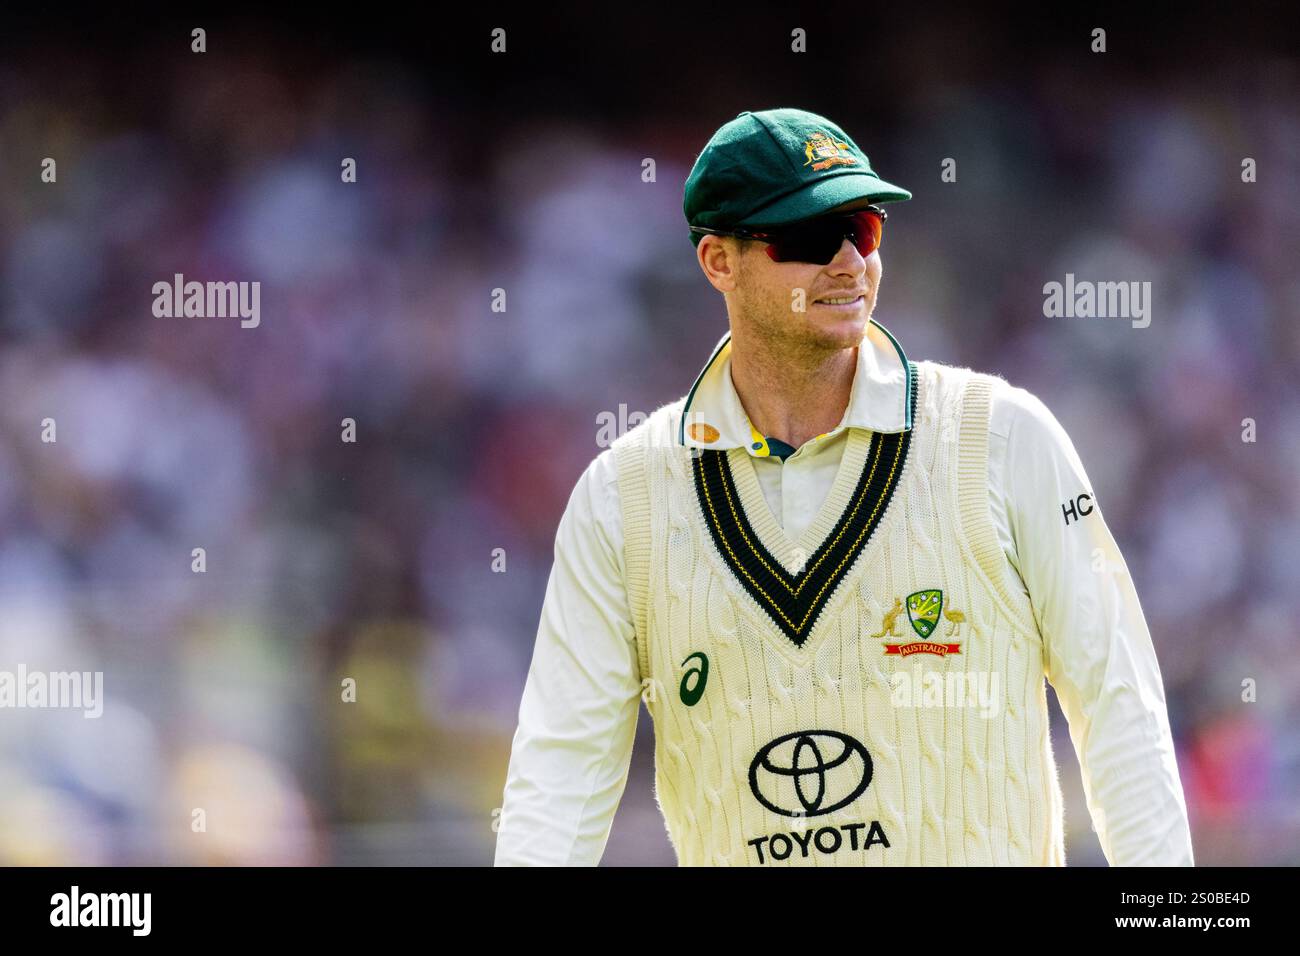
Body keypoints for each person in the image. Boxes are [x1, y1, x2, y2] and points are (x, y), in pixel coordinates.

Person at [494, 107, 1193, 866]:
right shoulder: (619, 497)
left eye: (862, 229)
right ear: (718, 263)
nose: (848, 263)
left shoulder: (1005, 438)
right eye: (804, 238)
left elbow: (1120, 704)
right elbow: (561, 768)